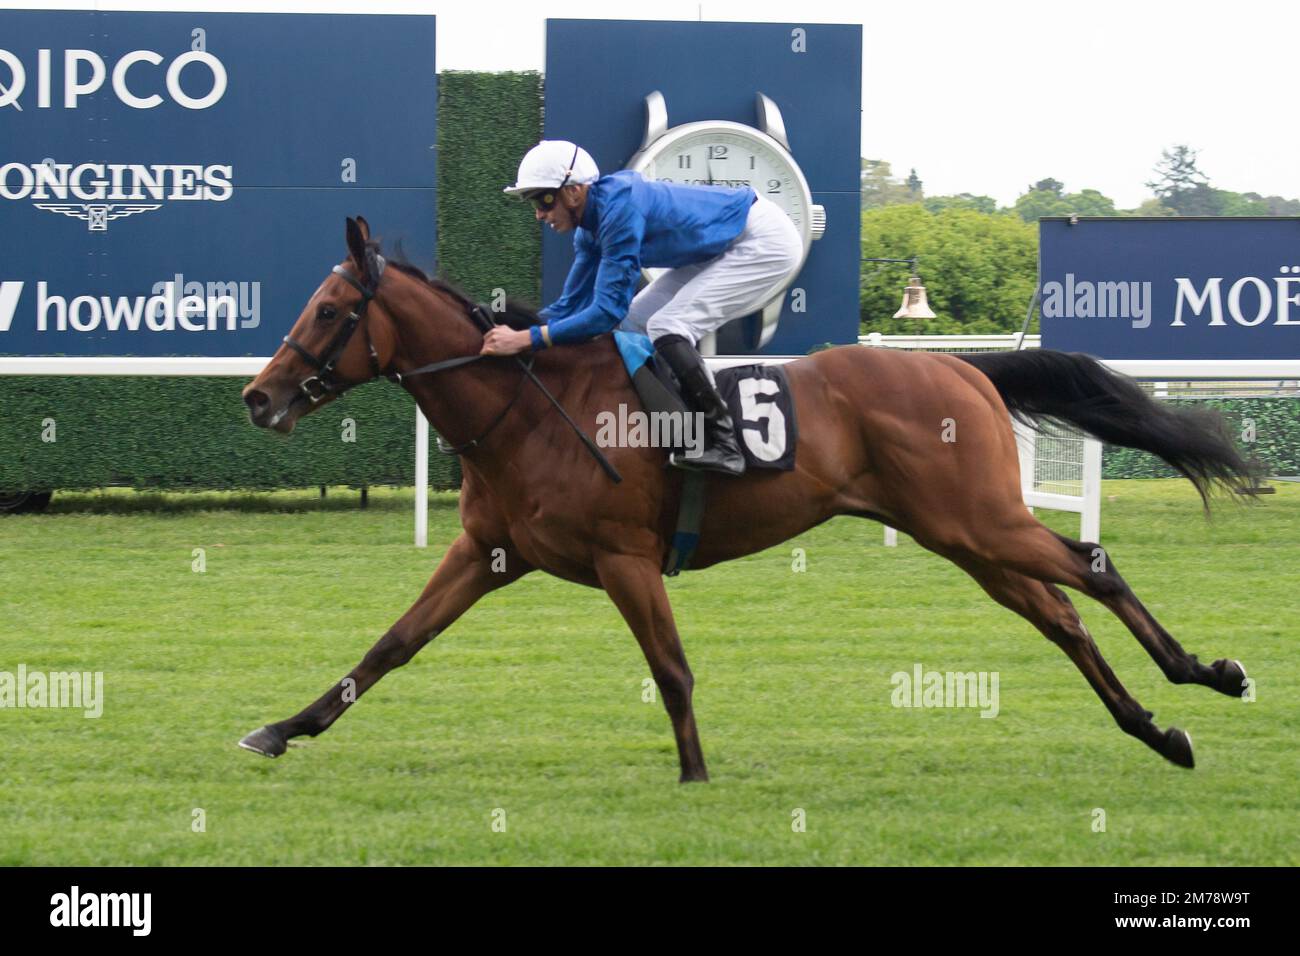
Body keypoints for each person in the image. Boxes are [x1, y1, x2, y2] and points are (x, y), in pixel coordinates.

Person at [485, 139, 802, 476]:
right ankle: (669, 429)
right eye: (533, 202)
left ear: (575, 192)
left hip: (764, 239)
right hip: (717, 247)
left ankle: (725, 443)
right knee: (631, 324)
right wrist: (504, 326)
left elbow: (603, 313)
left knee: (667, 326)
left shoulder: (618, 213)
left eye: (543, 200)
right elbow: (569, 307)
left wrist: (528, 339)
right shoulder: (589, 229)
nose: (539, 214)